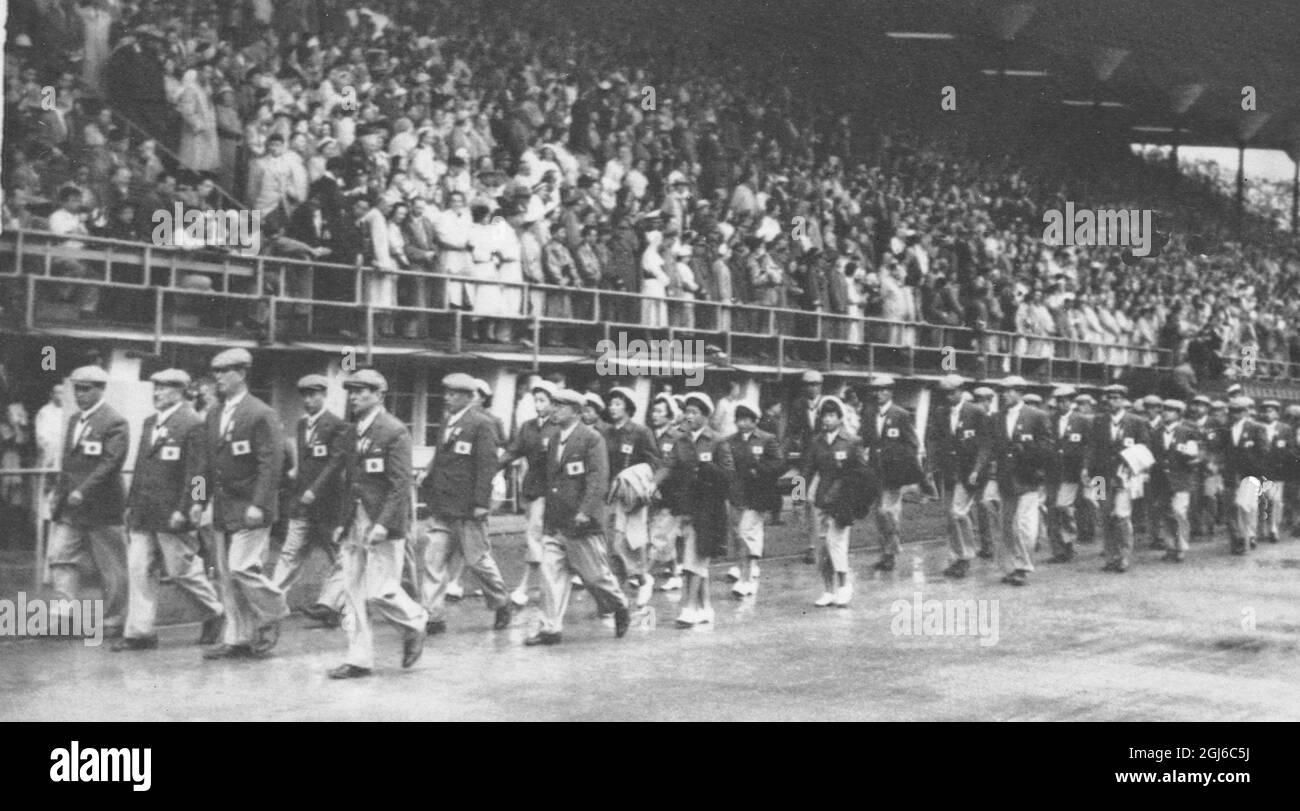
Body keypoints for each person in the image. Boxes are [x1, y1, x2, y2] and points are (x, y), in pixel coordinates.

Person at [328, 370, 427, 679]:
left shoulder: (394, 431)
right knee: (352, 592)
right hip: (354, 520)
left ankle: (416, 620)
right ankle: (359, 659)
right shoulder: (351, 432)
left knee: (379, 591)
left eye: (363, 391)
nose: (355, 396)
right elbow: (347, 481)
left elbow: (401, 485)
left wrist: (384, 523)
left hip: (384, 523)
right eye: (352, 391)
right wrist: (340, 521)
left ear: (379, 395)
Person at [191, 348, 289, 659]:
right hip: (223, 507)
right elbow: (204, 463)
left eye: (225, 371)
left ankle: (274, 610)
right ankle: (238, 638)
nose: (218, 377)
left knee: (241, 567)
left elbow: (270, 464)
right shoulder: (215, 415)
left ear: (242, 374)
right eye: (216, 372)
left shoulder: (261, 413)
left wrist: (259, 503)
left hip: (251, 508)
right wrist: (197, 499)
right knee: (226, 576)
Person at [115, 369, 224, 651]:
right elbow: (141, 467)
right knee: (139, 569)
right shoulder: (151, 423)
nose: (157, 393)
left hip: (173, 513)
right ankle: (140, 633)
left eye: (164, 389)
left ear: (179, 391)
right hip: (143, 511)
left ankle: (214, 611)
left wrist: (191, 505)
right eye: (156, 388)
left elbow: (200, 472)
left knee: (181, 571)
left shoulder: (193, 424)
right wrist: (130, 504)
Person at [526, 388, 631, 645]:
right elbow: (549, 477)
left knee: (595, 577)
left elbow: (598, 480)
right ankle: (550, 628)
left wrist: (585, 511)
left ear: (575, 411)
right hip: (556, 520)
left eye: (560, 405)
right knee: (550, 575)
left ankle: (620, 604)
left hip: (581, 521)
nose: (554, 409)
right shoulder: (552, 439)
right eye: (554, 404)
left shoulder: (591, 438)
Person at [417, 373, 513, 635]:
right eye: (446, 393)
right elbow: (440, 455)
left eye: (454, 394)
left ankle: (501, 601)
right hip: (443, 505)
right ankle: (434, 616)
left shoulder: (481, 424)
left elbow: (487, 465)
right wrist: (428, 473)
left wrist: (482, 503)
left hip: (468, 508)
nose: (447, 398)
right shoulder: (447, 421)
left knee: (477, 561)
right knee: (433, 560)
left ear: (469, 397)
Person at [47, 365, 129, 637]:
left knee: (112, 566)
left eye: (86, 389)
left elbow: (111, 464)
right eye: (76, 389)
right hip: (71, 507)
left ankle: (114, 620)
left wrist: (83, 490)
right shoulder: (74, 420)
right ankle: (62, 613)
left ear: (101, 390)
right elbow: (68, 465)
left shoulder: (115, 422)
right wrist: (59, 495)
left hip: (102, 508)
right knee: (61, 556)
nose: (79, 394)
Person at [273, 375, 348, 626]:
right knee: (290, 553)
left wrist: (314, 491)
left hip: (328, 505)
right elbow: (304, 462)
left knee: (339, 558)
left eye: (313, 394)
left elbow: (336, 463)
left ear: (324, 395)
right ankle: (270, 605)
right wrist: (296, 480)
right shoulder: (303, 425)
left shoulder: (337, 425)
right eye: (304, 395)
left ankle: (331, 605)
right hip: (302, 504)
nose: (308, 400)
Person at [654, 392, 734, 627]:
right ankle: (705, 607)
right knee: (695, 556)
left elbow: (728, 475)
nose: (689, 416)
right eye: (687, 411)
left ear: (706, 416)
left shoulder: (718, 441)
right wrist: (652, 485)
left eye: (695, 412)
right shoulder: (681, 440)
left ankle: (688, 607)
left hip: (710, 509)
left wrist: (708, 469)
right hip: (687, 506)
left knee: (695, 558)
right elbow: (667, 465)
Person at [499, 379, 559, 608]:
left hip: (551, 490)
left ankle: (524, 588)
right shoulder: (528, 427)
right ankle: (548, 584)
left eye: (542, 400)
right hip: (532, 488)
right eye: (536, 399)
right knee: (542, 538)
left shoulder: (558, 428)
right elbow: (514, 451)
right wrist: (495, 466)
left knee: (534, 537)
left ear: (554, 404)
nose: (538, 404)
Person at [803, 396, 868, 606]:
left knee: (837, 543)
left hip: (843, 500)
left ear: (840, 418)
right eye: (825, 415)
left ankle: (844, 585)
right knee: (823, 547)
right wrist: (798, 495)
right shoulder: (817, 442)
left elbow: (861, 472)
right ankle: (828, 589)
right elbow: (807, 470)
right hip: (822, 499)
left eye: (832, 415)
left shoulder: (852, 441)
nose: (827, 419)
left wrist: (857, 499)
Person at [990, 376, 1053, 586]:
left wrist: (1027, 450)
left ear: (1020, 392)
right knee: (1007, 525)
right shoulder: (997, 417)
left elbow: (1047, 446)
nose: (1005, 395)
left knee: (1023, 525)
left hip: (1028, 477)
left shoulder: (1037, 416)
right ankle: (1011, 566)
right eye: (1003, 391)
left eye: (1009, 391)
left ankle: (1023, 566)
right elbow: (993, 447)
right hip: (1006, 478)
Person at [603, 386, 662, 608]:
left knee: (632, 540)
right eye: (611, 404)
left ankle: (643, 578)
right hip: (611, 494)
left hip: (633, 495)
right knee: (613, 543)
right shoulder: (606, 432)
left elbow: (655, 461)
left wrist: (644, 482)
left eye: (618, 403)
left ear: (628, 407)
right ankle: (620, 590)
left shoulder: (640, 432)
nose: (613, 407)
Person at [928, 375, 990, 579]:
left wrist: (977, 469)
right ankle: (958, 556)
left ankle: (965, 556)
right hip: (948, 472)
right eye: (945, 393)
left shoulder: (976, 412)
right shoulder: (940, 413)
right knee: (950, 516)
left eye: (952, 392)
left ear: (961, 391)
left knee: (957, 513)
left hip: (968, 473)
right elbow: (934, 440)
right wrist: (930, 467)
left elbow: (984, 445)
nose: (948, 397)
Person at [861, 374, 921, 572]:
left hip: (894, 472)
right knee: (879, 514)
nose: (878, 394)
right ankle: (886, 552)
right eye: (876, 390)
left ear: (890, 392)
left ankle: (891, 551)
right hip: (875, 471)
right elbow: (865, 440)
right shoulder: (869, 414)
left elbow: (912, 443)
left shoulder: (901, 415)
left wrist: (906, 466)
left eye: (882, 390)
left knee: (887, 511)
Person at [725, 399, 783, 597]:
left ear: (754, 420)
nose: (741, 423)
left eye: (745, 419)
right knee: (738, 533)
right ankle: (743, 570)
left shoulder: (767, 439)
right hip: (736, 493)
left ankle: (746, 578)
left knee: (747, 532)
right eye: (738, 420)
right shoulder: (730, 441)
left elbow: (778, 464)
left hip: (758, 494)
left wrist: (759, 470)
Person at [1091, 385, 1151, 573]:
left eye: (1117, 398)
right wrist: (1086, 469)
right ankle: (1110, 556)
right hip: (1100, 476)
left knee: (1122, 515)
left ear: (1124, 400)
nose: (1113, 401)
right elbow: (1091, 447)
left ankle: (1124, 556)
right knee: (1104, 514)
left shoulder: (1136, 422)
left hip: (1124, 476)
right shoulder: (1099, 421)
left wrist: (1135, 468)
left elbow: (1144, 448)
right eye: (1109, 398)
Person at [1148, 400, 1201, 563]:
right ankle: (1170, 546)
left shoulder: (1187, 432)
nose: (1166, 413)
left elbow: (1195, 454)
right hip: (1162, 480)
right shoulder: (1156, 432)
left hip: (1181, 479)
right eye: (1164, 410)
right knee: (1165, 514)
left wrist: (1194, 459)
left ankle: (1181, 547)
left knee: (1179, 512)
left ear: (1179, 414)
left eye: (1171, 410)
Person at [1046, 385, 1092, 564]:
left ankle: (1070, 541)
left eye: (1065, 400)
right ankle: (1058, 549)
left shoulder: (1082, 421)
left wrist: (1085, 467)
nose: (1062, 404)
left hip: (1072, 472)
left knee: (1063, 506)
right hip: (1052, 472)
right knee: (1052, 509)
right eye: (1059, 401)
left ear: (1072, 402)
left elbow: (1088, 446)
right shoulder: (1050, 419)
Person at [785, 370, 824, 564]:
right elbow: (792, 432)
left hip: (825, 460)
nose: (812, 388)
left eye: (815, 384)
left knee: (814, 501)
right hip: (805, 461)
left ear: (820, 386)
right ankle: (812, 545)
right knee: (804, 502)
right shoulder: (798, 406)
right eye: (808, 384)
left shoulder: (827, 405)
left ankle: (818, 545)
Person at [647, 393, 685, 590]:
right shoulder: (648, 435)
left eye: (660, 411)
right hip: (650, 493)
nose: (655, 414)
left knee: (660, 536)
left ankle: (643, 575)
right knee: (661, 535)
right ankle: (676, 571)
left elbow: (674, 468)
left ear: (670, 415)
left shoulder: (677, 438)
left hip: (670, 495)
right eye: (654, 410)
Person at [1222, 396, 1266, 555]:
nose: (1235, 414)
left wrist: (1256, 470)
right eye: (1232, 410)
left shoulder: (1256, 428)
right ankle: (1242, 537)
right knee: (1235, 506)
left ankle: (1248, 536)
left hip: (1250, 473)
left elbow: (1262, 451)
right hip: (1231, 472)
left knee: (1245, 505)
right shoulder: (1227, 428)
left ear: (1246, 411)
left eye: (1239, 410)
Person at [1256, 399, 1293, 545]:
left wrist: (1284, 461)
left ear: (1277, 413)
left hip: (1278, 470)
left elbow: (1291, 449)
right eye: (1264, 410)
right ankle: (1262, 527)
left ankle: (1273, 528)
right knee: (1262, 500)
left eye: (1270, 410)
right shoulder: (1257, 427)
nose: (1267, 413)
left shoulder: (1285, 429)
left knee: (1276, 501)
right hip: (1261, 470)